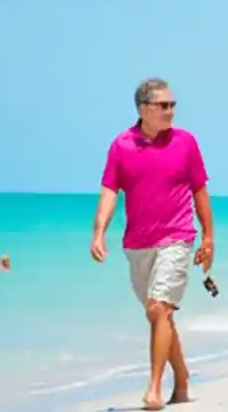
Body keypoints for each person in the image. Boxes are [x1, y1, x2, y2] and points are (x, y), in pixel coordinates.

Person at [90, 78, 214, 412]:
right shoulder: (121, 145)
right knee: (159, 317)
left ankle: (155, 388)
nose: (171, 111)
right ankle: (183, 378)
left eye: (173, 105)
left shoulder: (186, 143)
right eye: (164, 105)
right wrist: (99, 232)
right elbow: (109, 191)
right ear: (144, 109)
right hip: (137, 244)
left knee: (159, 308)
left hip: (177, 237)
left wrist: (209, 237)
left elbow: (200, 190)